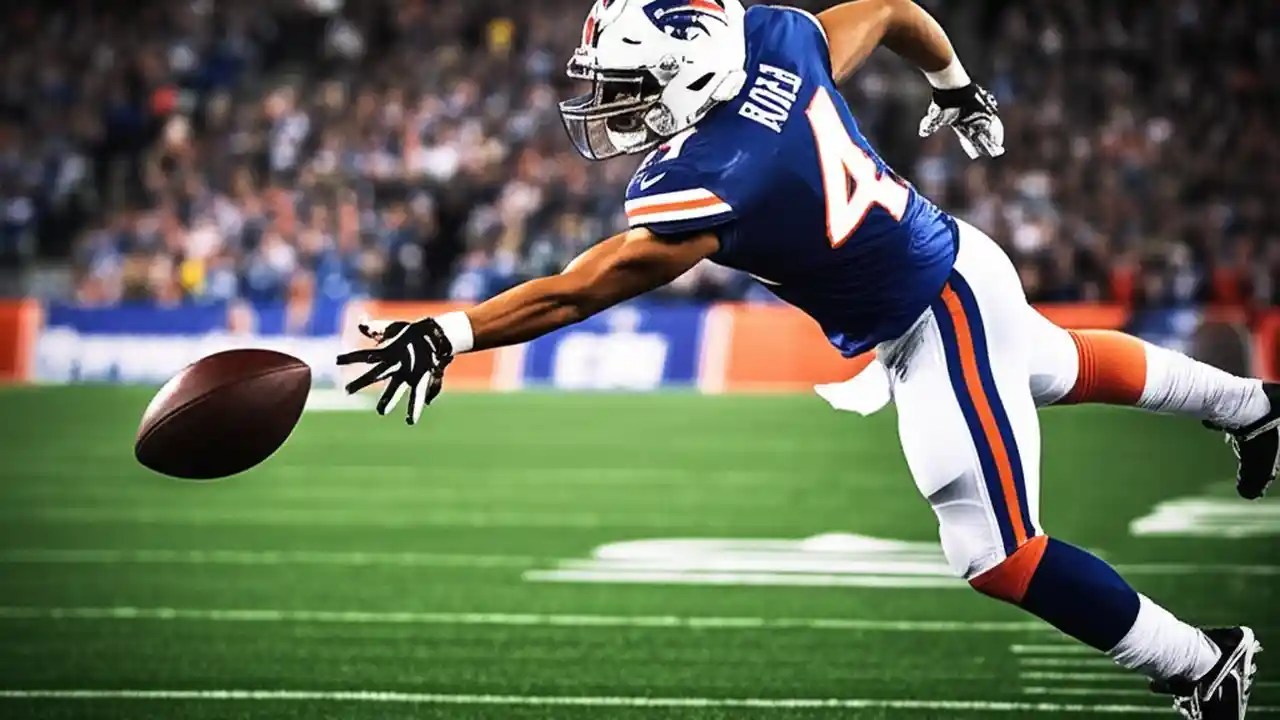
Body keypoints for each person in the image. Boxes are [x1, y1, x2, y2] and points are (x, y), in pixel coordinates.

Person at [337, 2, 1272, 716]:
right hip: (944, 259)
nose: (612, 109)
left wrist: (450, 331)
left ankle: (1200, 662)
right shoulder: (780, 44)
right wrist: (955, 86)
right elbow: (894, 10)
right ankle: (1252, 406)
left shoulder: (712, 175)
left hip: (932, 313)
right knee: (1061, 363)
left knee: (995, 551)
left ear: (685, 75)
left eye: (626, 89)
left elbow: (583, 287)